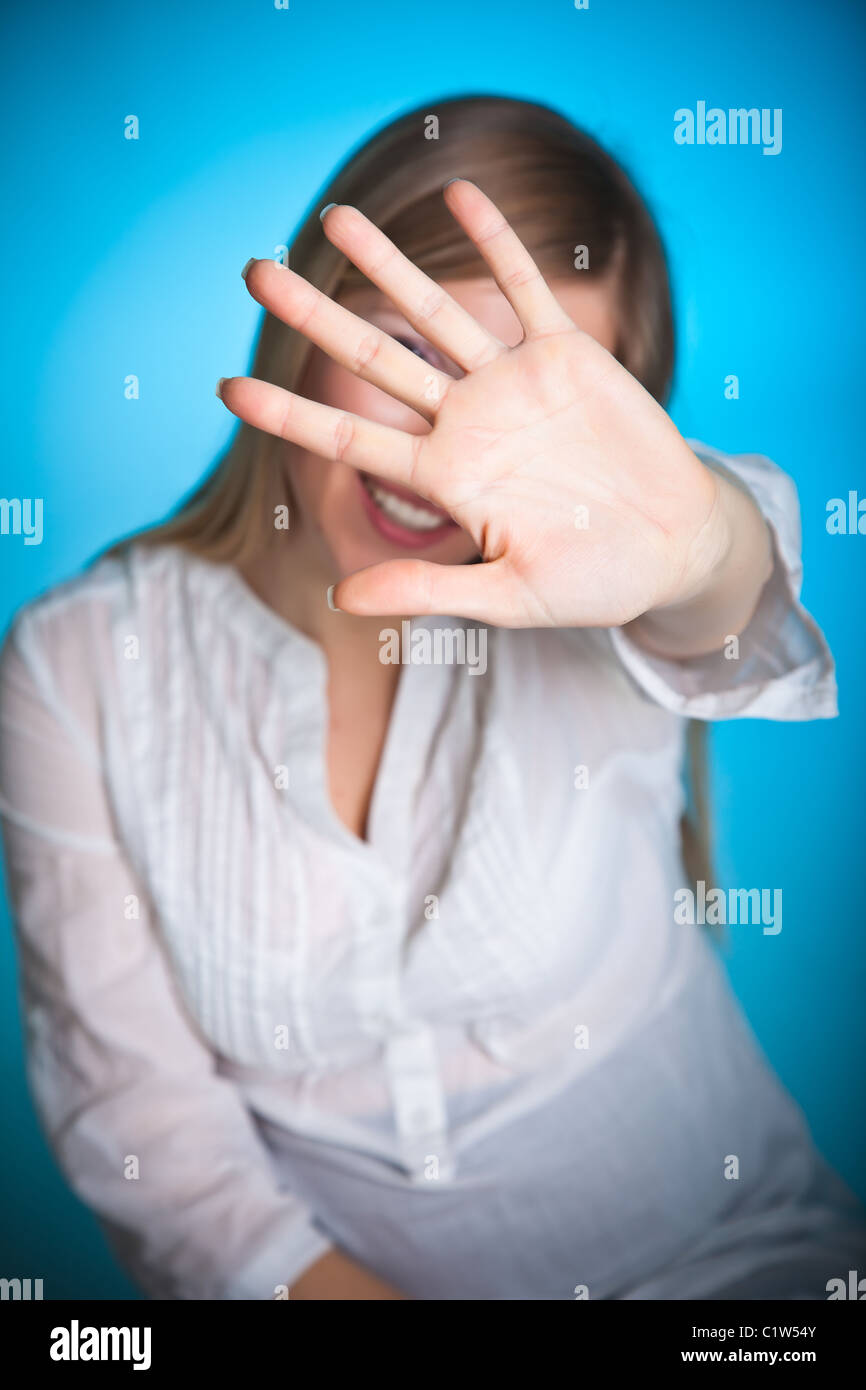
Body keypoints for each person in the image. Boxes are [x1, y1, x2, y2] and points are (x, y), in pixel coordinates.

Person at [1, 96, 863, 1301]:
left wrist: (688, 542)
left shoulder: (614, 599)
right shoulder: (76, 668)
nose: (450, 447)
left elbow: (728, 602)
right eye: (412, 354)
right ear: (309, 323)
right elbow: (155, 1145)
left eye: (522, 397)